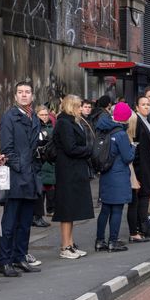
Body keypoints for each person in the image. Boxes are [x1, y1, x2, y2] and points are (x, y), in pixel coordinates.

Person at [0, 81, 42, 276]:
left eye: (27, 92)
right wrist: (21, 167)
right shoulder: (10, 117)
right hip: (16, 177)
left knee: (25, 223)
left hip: (31, 177)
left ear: (32, 95)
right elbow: (7, 149)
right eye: (20, 92)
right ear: (15, 96)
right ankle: (4, 261)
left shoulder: (34, 117)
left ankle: (20, 257)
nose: (24, 95)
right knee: (10, 223)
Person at [53, 95, 94, 259]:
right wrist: (89, 150)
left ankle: (70, 244)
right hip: (68, 170)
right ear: (71, 107)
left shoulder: (71, 121)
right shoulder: (64, 123)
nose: (80, 109)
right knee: (67, 210)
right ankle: (65, 246)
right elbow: (70, 148)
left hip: (74, 169)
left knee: (72, 210)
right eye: (78, 106)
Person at [95, 102, 135, 252]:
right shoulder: (121, 134)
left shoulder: (105, 129)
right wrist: (133, 147)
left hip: (106, 174)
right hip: (118, 176)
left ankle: (99, 241)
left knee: (105, 209)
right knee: (117, 209)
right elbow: (128, 157)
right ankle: (113, 241)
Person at [129, 96, 150, 240]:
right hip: (141, 164)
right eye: (143, 105)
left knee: (146, 195)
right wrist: (136, 168)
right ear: (137, 107)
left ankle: (143, 225)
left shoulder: (149, 120)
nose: (147, 107)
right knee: (142, 196)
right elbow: (134, 144)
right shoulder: (136, 121)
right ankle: (141, 227)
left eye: (148, 104)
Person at [33, 105, 54, 227]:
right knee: (39, 191)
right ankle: (37, 216)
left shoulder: (52, 127)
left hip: (49, 162)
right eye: (42, 115)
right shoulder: (36, 128)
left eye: (46, 115)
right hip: (40, 162)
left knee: (49, 189)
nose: (44, 117)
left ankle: (43, 213)